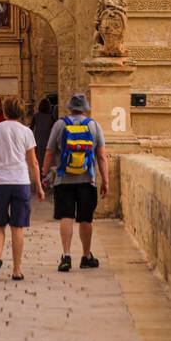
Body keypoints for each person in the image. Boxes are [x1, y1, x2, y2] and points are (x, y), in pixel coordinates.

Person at [42, 91, 108, 272]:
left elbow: (49, 152)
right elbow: (102, 157)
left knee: (66, 217)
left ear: (70, 108)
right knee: (85, 219)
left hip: (64, 180)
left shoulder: (60, 125)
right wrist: (106, 181)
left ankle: (66, 255)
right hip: (88, 180)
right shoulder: (94, 126)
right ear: (85, 108)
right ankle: (86, 256)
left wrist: (44, 173)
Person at [0, 96, 44, 280]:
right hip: (21, 181)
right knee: (18, 227)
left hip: (0, 182)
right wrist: (39, 186)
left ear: (4, 112)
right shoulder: (26, 132)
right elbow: (33, 162)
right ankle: (17, 270)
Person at [30, 97, 56, 168]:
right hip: (48, 139)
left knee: (39, 158)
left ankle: (40, 175)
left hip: (38, 139)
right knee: (47, 157)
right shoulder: (51, 117)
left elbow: (31, 128)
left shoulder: (36, 116)